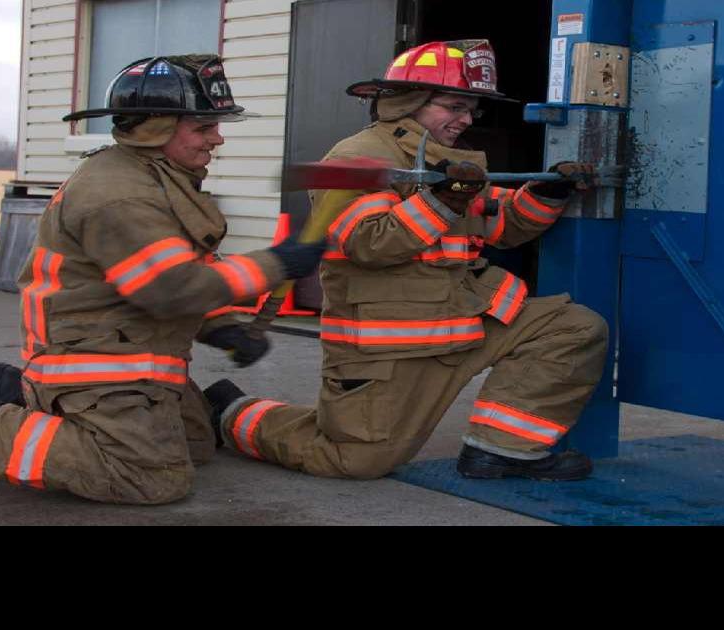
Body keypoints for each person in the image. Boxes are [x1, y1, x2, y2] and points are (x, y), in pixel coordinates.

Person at [0, 54, 325, 504]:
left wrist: (220, 327)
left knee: (195, 446)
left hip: (133, 352)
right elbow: (171, 289)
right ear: (156, 128)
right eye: (203, 128)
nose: (217, 140)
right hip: (94, 365)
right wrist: (276, 264)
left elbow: (174, 270)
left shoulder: (158, 178)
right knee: (149, 476)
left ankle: (15, 394)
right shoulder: (119, 196)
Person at [204, 39, 610, 481]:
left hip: (469, 319)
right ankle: (230, 411)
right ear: (408, 102)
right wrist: (445, 200)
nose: (466, 119)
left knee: (572, 327)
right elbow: (369, 244)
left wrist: (547, 193)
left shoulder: (449, 160)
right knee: (352, 460)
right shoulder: (355, 159)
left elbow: (504, 227)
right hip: (393, 346)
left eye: (472, 109)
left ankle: (501, 452)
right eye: (455, 105)